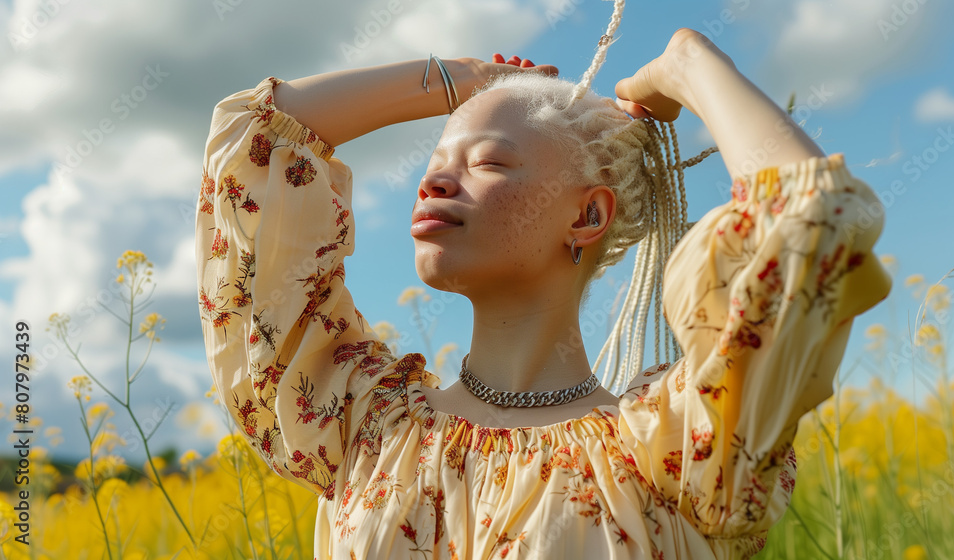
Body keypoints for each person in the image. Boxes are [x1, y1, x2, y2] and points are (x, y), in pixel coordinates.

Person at [195, 16, 892, 559]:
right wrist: (458, 81)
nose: (435, 181)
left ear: (587, 215)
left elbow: (810, 224)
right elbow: (259, 143)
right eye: (437, 163)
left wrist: (692, 65)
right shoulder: (360, 423)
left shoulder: (675, 454)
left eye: (490, 162)